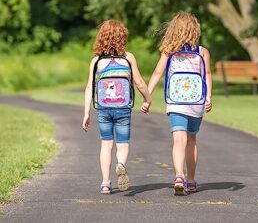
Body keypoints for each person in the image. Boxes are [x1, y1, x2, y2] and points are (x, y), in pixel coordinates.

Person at [82, 20, 151, 194]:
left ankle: (105, 183)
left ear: (101, 38)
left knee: (106, 144)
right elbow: (140, 82)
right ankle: (121, 164)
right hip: (123, 108)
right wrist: (147, 99)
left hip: (103, 108)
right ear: (122, 38)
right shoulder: (128, 58)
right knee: (122, 143)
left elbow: (89, 87)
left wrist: (86, 113)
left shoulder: (96, 61)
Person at [148, 12, 212, 195]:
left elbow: (157, 73)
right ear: (195, 31)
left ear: (173, 30)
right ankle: (190, 180)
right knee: (191, 139)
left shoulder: (169, 51)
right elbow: (206, 75)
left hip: (176, 102)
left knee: (178, 139)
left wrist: (148, 95)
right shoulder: (203, 52)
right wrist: (209, 97)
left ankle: (178, 175)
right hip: (196, 101)